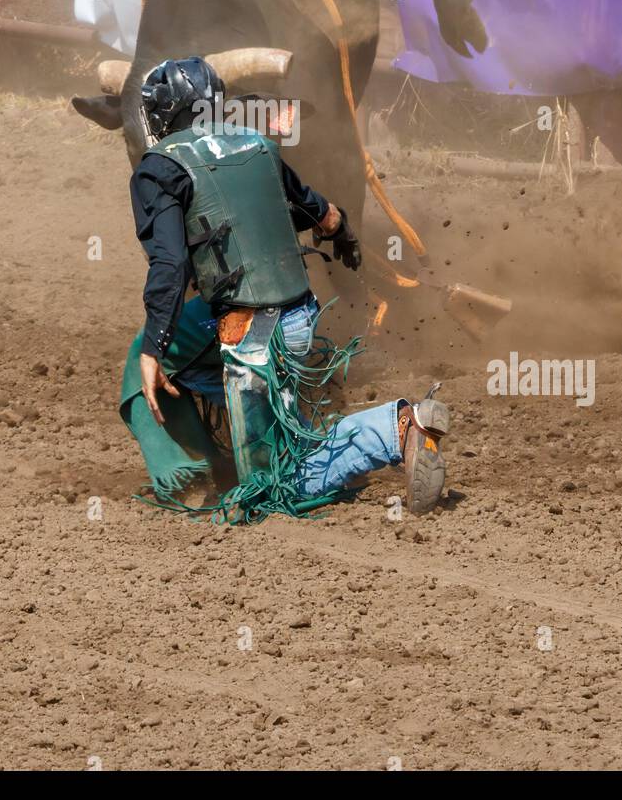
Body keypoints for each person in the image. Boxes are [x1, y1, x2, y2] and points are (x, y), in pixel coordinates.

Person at [122, 55, 451, 522]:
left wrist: (155, 347)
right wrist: (346, 241)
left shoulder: (158, 169)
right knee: (153, 354)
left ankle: (397, 427)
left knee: (273, 490)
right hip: (298, 317)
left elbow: (171, 262)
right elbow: (325, 214)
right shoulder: (258, 145)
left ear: (163, 117)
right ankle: (207, 467)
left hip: (248, 332)